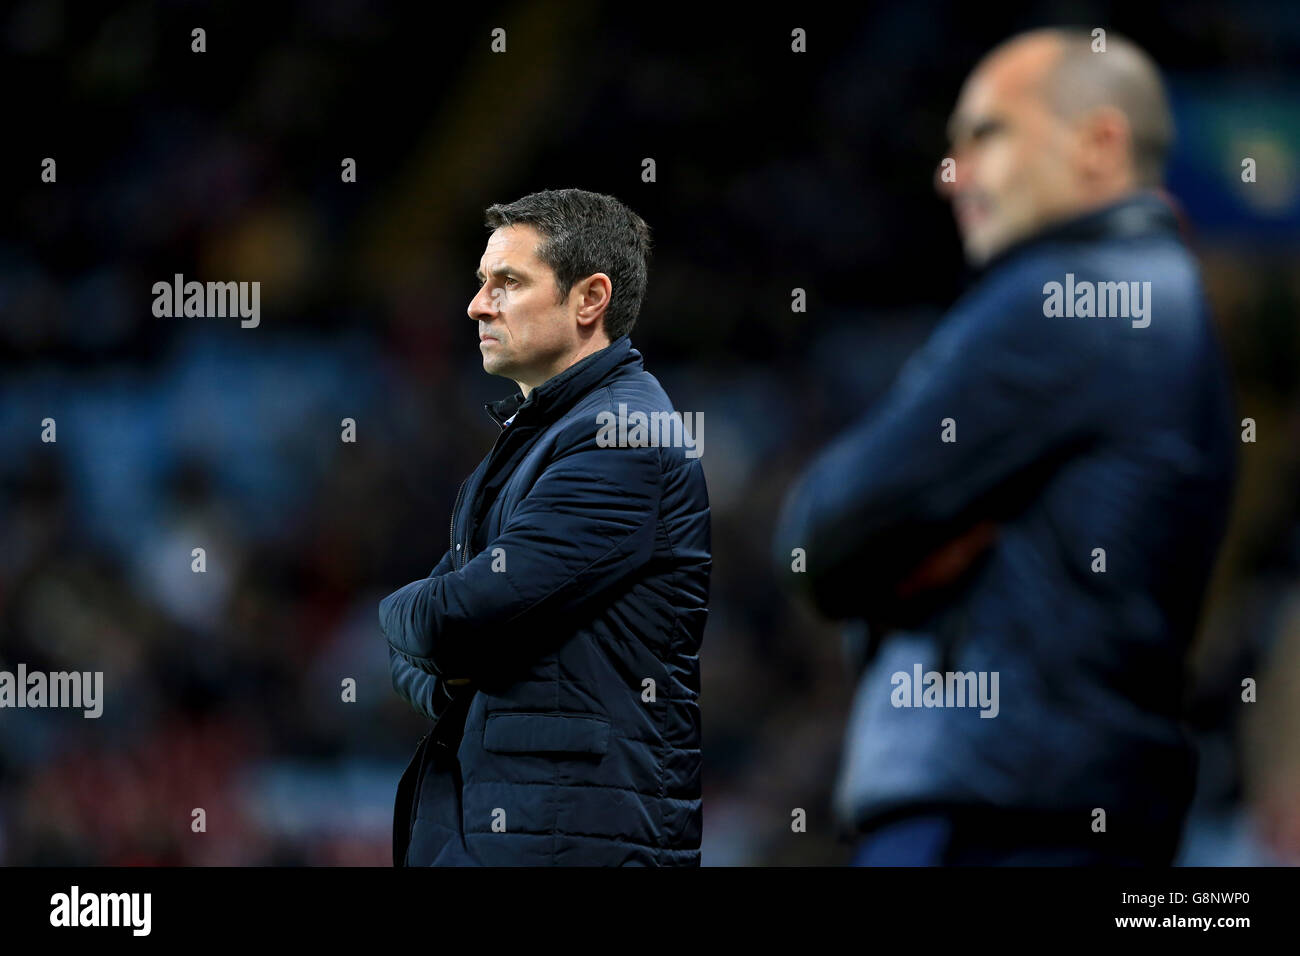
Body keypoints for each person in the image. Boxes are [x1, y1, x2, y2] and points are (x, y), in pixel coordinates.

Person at [773, 28, 1238, 865]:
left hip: (993, 819)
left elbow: (818, 533)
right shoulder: (1151, 298)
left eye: (988, 134)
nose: (951, 175)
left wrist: (888, 572)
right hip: (1063, 804)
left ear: (1099, 144)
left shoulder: (1066, 296)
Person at [380, 188, 710, 866]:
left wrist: (392, 609)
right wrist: (444, 676)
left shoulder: (621, 437)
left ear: (589, 299)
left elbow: (453, 617)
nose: (477, 305)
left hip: (567, 839)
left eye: (507, 283)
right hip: (528, 830)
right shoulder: (545, 437)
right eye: (481, 283)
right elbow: (429, 646)